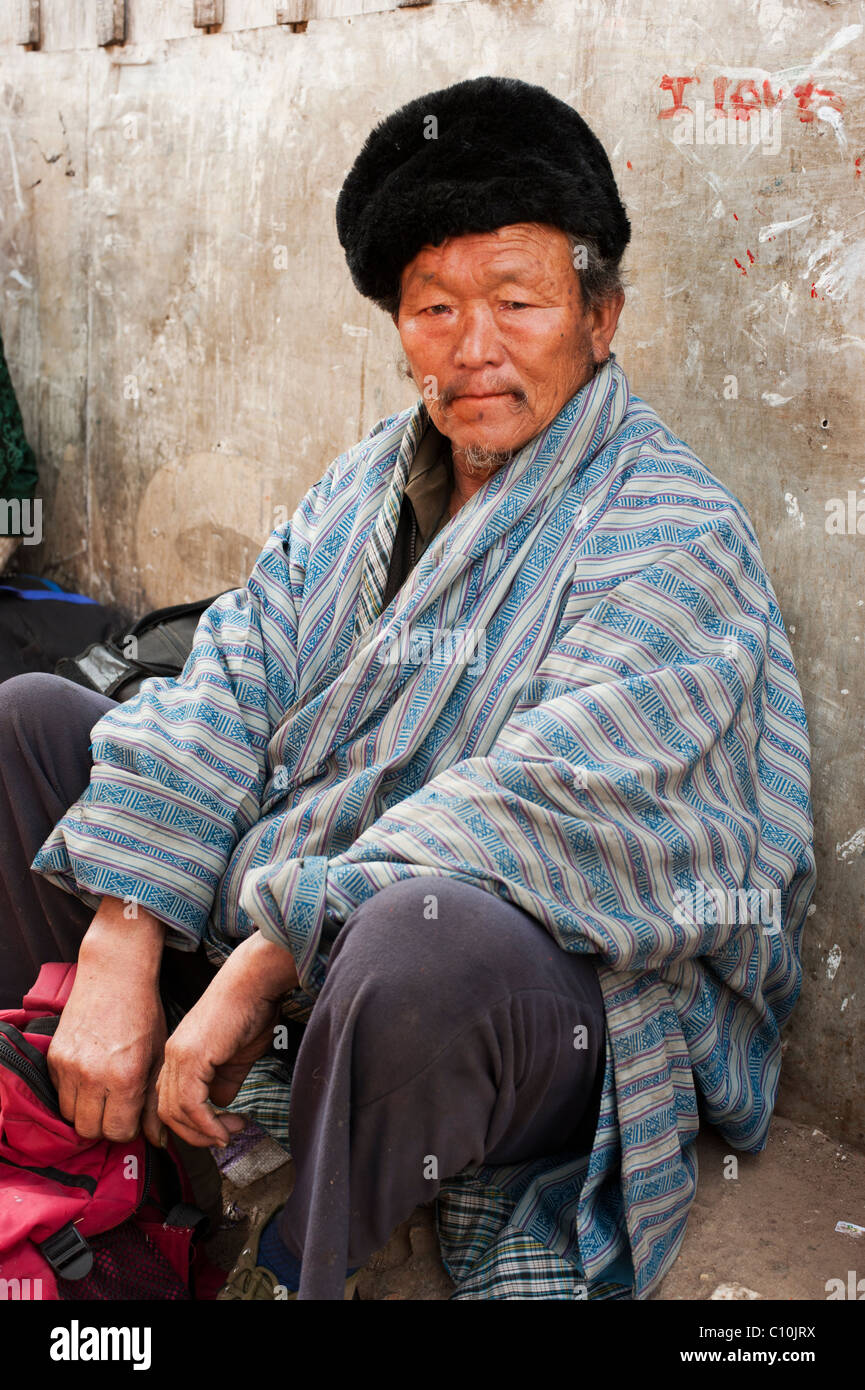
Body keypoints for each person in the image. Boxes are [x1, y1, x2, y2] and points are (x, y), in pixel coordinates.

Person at [0, 76, 815, 1301]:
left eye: (518, 301)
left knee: (417, 938)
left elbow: (559, 804)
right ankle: (82, 1154)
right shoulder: (368, 484)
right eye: (433, 307)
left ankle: (294, 1266)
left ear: (603, 317)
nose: (472, 348)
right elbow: (234, 667)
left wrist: (270, 950)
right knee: (32, 722)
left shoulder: (671, 530)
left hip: (540, 997)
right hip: (308, 907)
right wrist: (125, 925)